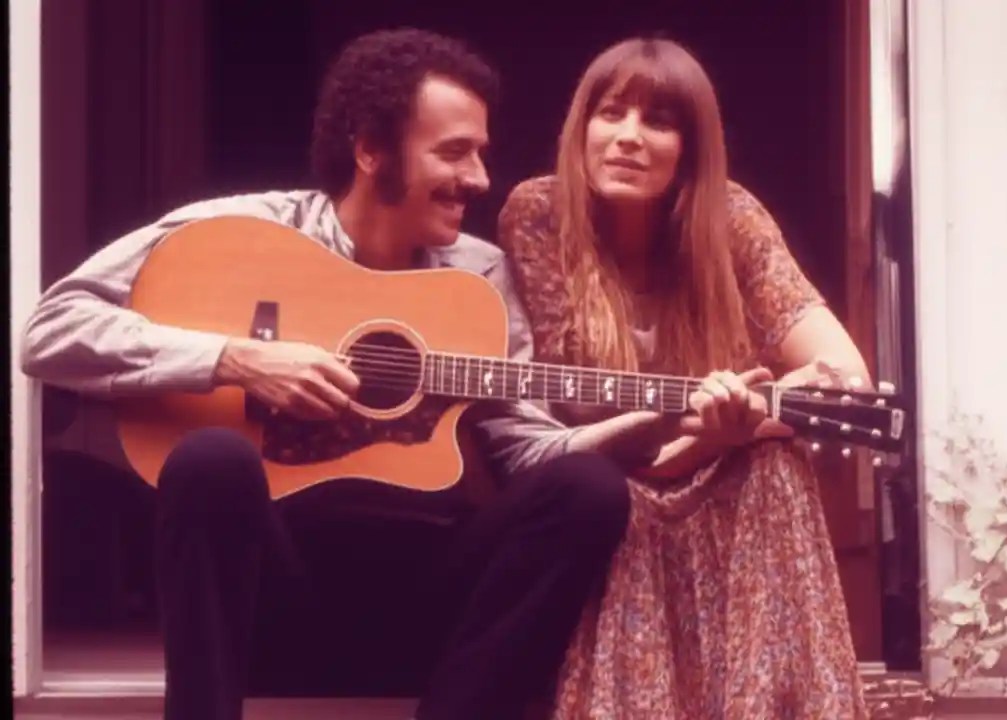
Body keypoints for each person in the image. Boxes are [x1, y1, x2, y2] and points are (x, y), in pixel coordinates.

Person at [20, 28, 738, 720]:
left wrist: (652, 420)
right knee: (209, 460)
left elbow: (528, 452)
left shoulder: (480, 276)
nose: (480, 179)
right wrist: (236, 359)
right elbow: (51, 330)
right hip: (273, 594)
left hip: (426, 606)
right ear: (370, 150)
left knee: (588, 491)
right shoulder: (246, 234)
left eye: (480, 154)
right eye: (455, 154)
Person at [496, 37, 873, 719]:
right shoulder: (538, 214)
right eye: (611, 114)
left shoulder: (732, 218)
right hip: (604, 481)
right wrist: (694, 437)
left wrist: (717, 437)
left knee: (776, 465)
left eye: (659, 121)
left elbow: (845, 376)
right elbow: (568, 405)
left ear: (690, 150)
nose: (629, 138)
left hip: (708, 481)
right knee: (606, 495)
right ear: (581, 129)